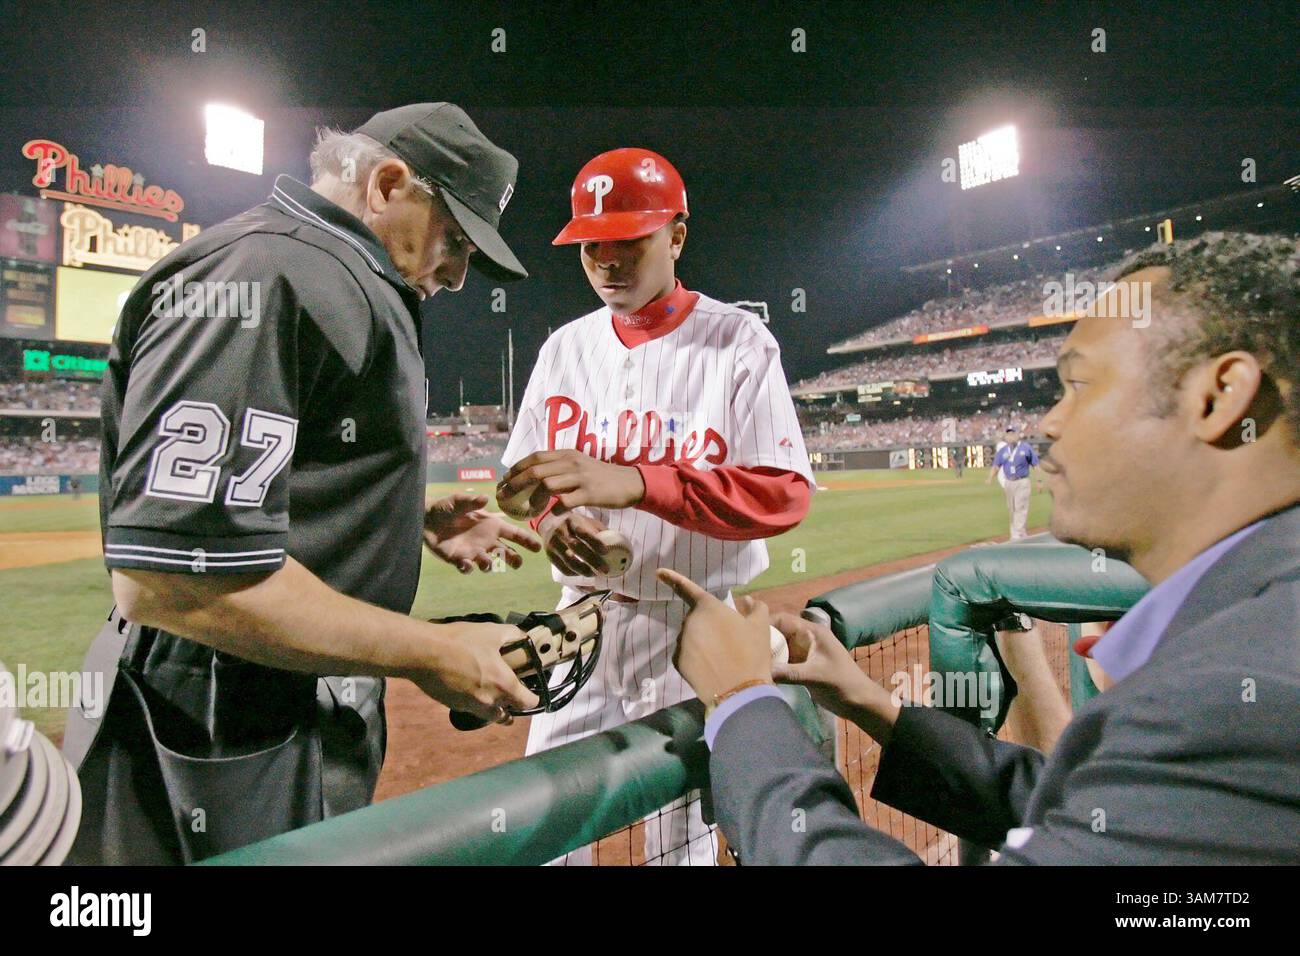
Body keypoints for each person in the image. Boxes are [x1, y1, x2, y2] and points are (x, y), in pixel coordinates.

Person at [660, 232, 1300, 864]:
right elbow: (1103, 819)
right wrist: (872, 703)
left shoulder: (1236, 691)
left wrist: (743, 702)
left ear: (1217, 397)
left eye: (1078, 385)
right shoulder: (1255, 641)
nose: (1049, 422)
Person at [65, 103, 542, 865]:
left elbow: (254, 484)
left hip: (275, 697)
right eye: (455, 240)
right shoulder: (266, 270)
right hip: (219, 711)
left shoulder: (329, 271)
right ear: (387, 184)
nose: (457, 275)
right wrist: (429, 650)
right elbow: (171, 577)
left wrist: (384, 514)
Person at [497, 148, 815, 864]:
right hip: (577, 624)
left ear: (675, 236)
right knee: (547, 834)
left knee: (682, 847)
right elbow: (527, 480)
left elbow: (783, 492)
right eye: (591, 247)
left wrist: (641, 482)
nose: (608, 262)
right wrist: (554, 522)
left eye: (629, 243)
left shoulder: (739, 343)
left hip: (691, 628)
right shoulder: (563, 349)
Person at [986, 425, 1040, 539]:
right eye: (1008, 434)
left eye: (1012, 434)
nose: (1010, 436)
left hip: (1022, 481)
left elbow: (1035, 464)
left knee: (1020, 506)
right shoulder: (1003, 451)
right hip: (1009, 482)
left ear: (1017, 435)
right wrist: (990, 477)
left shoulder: (1025, 448)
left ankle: (1017, 533)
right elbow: (996, 465)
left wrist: (1039, 480)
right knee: (1011, 508)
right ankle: (1020, 531)